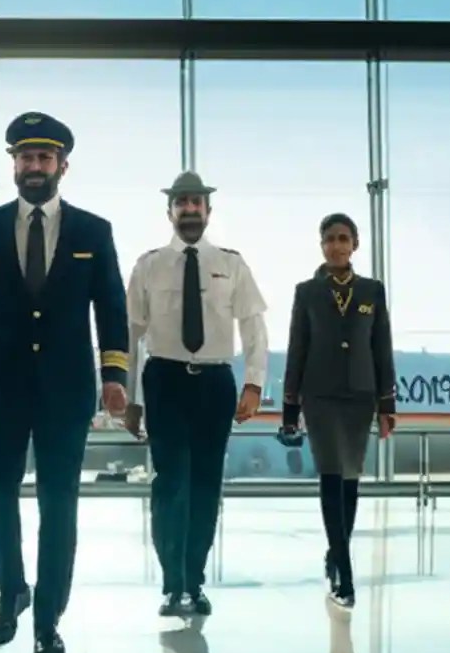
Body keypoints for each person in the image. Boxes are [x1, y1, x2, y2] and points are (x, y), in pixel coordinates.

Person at [0, 111, 130, 653]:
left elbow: (111, 310)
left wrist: (114, 376)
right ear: (14, 166)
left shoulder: (95, 232)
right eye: (25, 157)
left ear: (62, 166)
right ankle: (11, 591)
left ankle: (48, 617)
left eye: (44, 158)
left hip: (66, 390)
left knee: (59, 502)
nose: (34, 167)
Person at [124, 171, 269, 617]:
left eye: (196, 203)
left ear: (208, 211)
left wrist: (253, 383)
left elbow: (254, 327)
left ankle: (195, 580)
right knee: (171, 483)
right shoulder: (148, 265)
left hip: (214, 384)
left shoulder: (232, 263)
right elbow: (131, 334)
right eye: (182, 203)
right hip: (164, 381)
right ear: (169, 210)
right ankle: (171, 583)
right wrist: (130, 397)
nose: (189, 210)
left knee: (205, 485)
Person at [278, 212, 396, 610]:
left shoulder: (372, 291)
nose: (337, 245)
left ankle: (334, 552)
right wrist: (290, 409)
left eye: (344, 238)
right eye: (330, 239)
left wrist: (387, 404)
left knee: (350, 480)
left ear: (355, 244)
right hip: (320, 396)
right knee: (331, 473)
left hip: (360, 396)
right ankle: (344, 573)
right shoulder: (307, 292)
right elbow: (297, 349)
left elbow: (382, 347)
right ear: (322, 244)